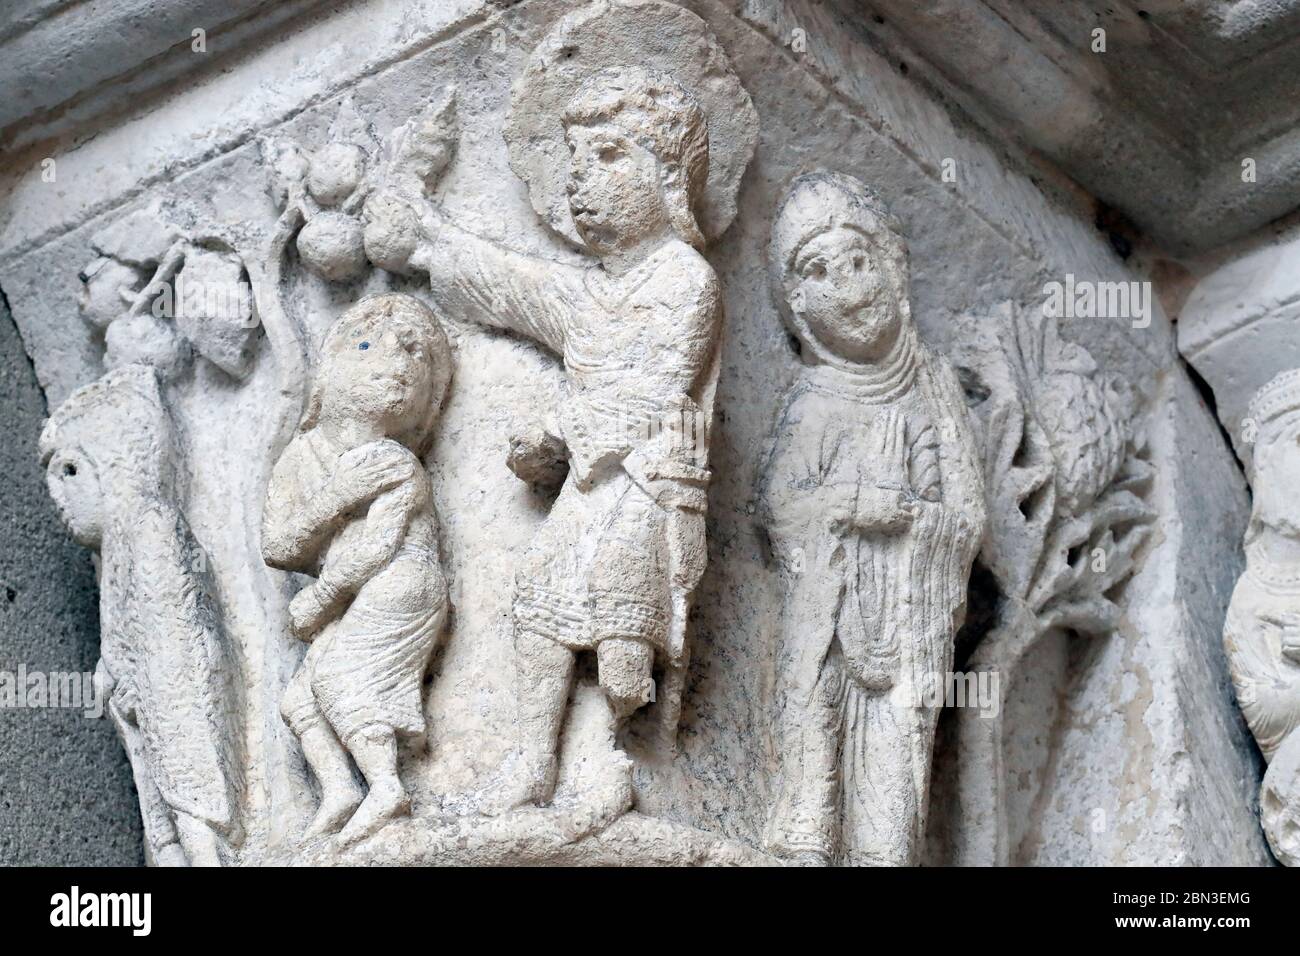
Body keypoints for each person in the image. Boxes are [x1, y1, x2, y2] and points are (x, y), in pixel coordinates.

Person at [363, 67, 722, 807]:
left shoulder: (685, 280)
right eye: (577, 163)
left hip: (649, 493)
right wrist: (431, 236)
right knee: (543, 599)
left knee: (623, 641)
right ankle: (533, 761)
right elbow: (518, 286)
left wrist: (558, 432)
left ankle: (620, 759)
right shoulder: (597, 289)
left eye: (611, 157)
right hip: (595, 486)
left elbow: (654, 388)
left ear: (669, 177)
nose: (584, 181)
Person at [761, 171, 985, 865]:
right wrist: (855, 506)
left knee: (894, 787)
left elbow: (967, 513)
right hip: (829, 619)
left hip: (910, 625)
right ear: (798, 305)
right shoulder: (815, 398)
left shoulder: (934, 391)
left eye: (860, 262)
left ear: (893, 266)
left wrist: (918, 521)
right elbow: (780, 505)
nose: (848, 288)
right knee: (815, 741)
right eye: (820, 273)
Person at [261, 293, 452, 843]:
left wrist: (322, 598)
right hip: (351, 593)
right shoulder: (305, 455)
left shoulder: (392, 459)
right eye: (367, 345)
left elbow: (381, 546)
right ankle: (341, 789)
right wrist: (338, 494)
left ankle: (388, 788)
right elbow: (278, 543)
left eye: (415, 353)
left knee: (340, 681)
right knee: (298, 701)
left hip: (402, 581)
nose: (395, 363)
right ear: (329, 370)